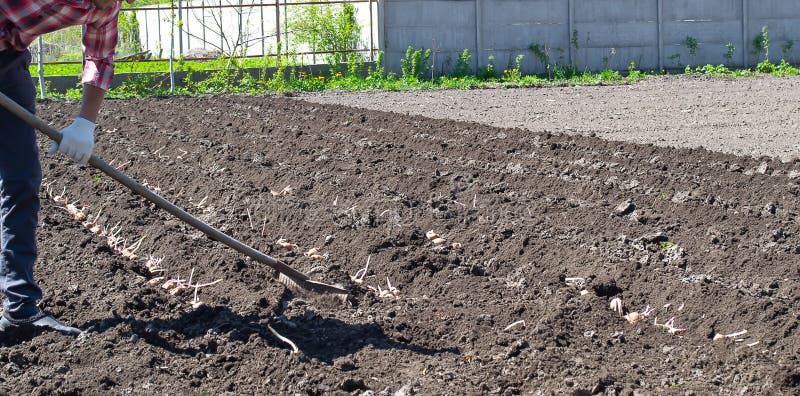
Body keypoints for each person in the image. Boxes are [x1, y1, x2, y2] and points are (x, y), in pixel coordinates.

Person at [0, 0, 133, 336]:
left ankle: (21, 311)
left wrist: (85, 124)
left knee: (21, 181)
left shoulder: (106, 8)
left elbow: (100, 59)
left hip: (8, 63)